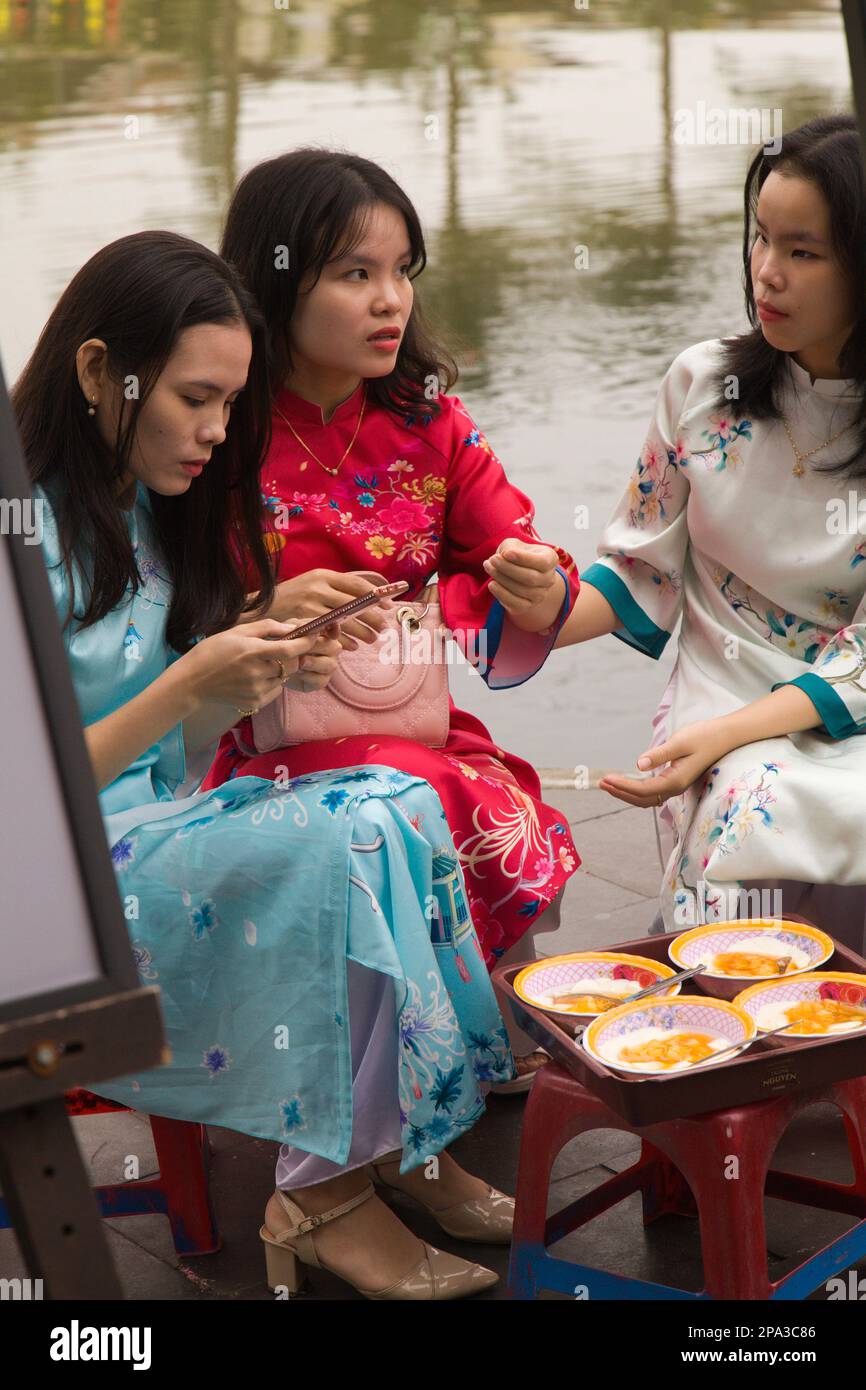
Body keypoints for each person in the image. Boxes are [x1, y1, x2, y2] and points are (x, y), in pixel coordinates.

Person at [17, 229, 516, 1300]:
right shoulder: (26, 531)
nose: (215, 432)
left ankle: (388, 1151)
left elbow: (172, 750)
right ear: (100, 369)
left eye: (230, 405)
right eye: (195, 399)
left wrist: (263, 638)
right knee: (344, 837)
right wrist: (192, 681)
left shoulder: (144, 509)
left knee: (396, 806)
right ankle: (326, 1196)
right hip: (46, 892)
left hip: (142, 832)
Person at [198, 148, 582, 1088]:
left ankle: (440, 1061)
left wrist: (534, 586)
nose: (390, 301)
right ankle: (440, 1066)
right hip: (265, 746)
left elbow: (520, 559)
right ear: (273, 279)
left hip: (412, 721)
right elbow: (163, 606)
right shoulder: (219, 426)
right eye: (354, 273)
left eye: (402, 270)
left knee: (467, 786)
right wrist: (262, 613)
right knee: (428, 798)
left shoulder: (433, 426)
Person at [552, 113, 866, 953]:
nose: (767, 272)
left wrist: (724, 739)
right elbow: (642, 572)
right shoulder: (701, 386)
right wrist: (542, 605)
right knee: (745, 792)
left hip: (844, 708)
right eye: (761, 237)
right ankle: (739, 1056)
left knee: (770, 778)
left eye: (805, 251)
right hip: (718, 688)